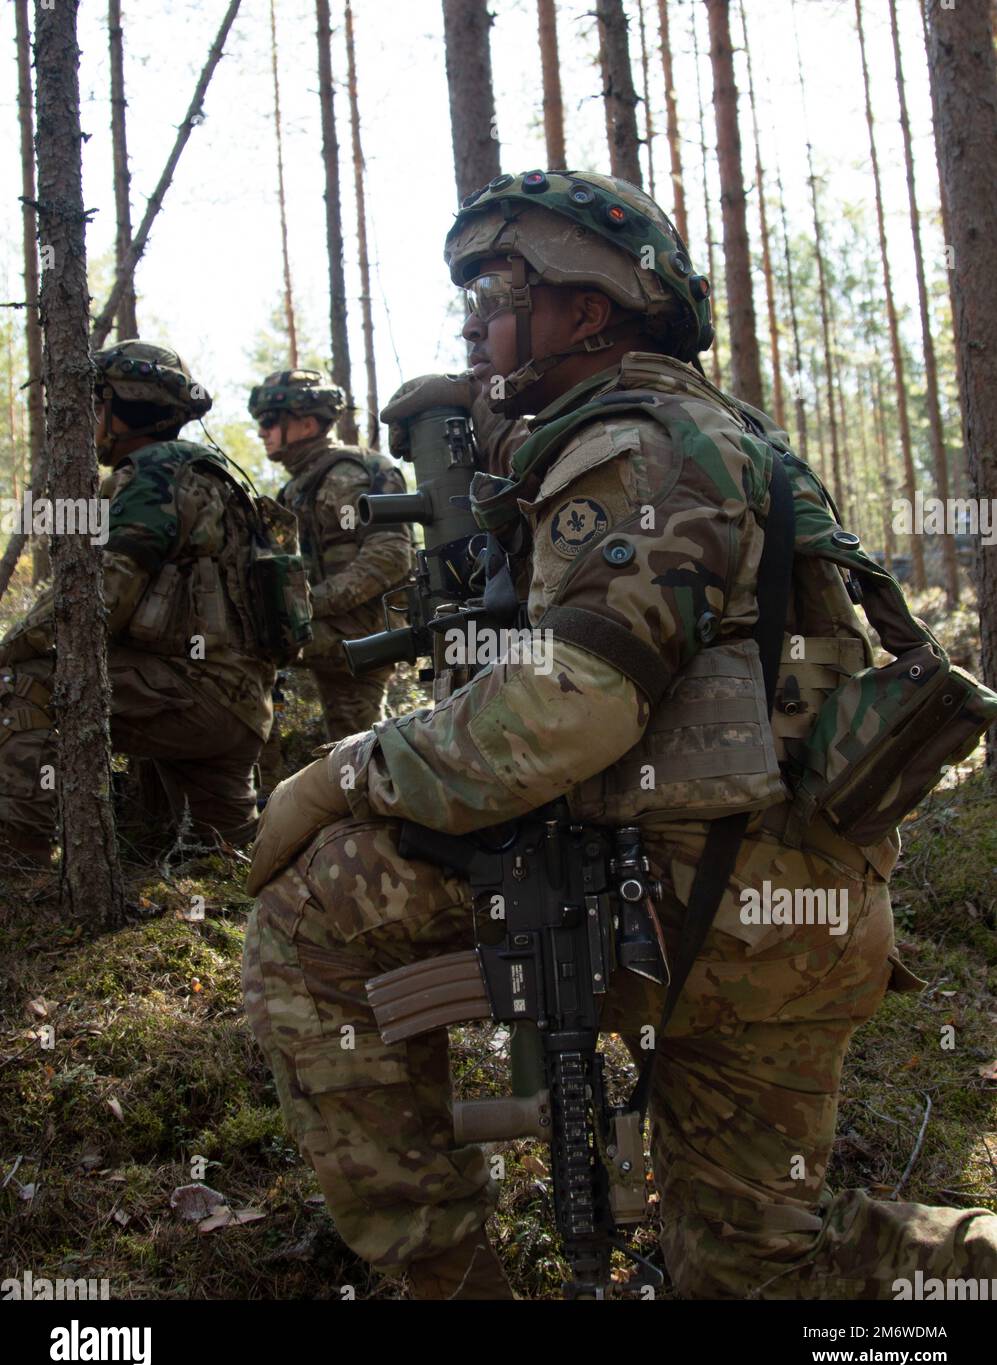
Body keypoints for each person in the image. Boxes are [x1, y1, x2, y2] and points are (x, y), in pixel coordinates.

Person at [242, 172, 997, 1299]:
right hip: (798, 908)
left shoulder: (632, 443)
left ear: (585, 310)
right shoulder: (713, 430)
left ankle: (446, 1282)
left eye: (497, 286)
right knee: (752, 1261)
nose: (472, 316)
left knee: (308, 914)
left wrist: (350, 768)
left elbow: (572, 702)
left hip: (697, 898)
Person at [0, 340, 273, 858]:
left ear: (123, 408)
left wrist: (10, 646)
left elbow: (100, 600)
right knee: (229, 863)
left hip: (189, 695)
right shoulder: (214, 472)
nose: (87, 419)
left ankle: (19, 872)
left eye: (94, 404)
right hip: (237, 707)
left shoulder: (152, 476)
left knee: (23, 683)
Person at [247, 370, 412, 796]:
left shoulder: (360, 470)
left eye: (270, 420)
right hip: (327, 630)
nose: (262, 431)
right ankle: (275, 802)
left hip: (365, 635)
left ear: (306, 421)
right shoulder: (291, 490)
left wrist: (308, 604)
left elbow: (391, 556)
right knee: (354, 753)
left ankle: (260, 803)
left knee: (361, 752)